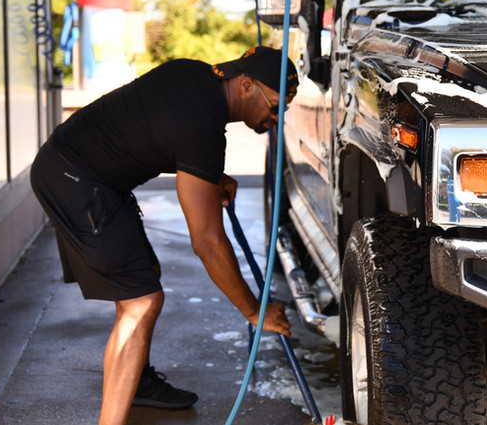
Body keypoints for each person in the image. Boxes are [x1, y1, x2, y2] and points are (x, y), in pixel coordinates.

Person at [30, 45, 299, 425]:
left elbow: (156, 130)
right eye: (274, 106)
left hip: (78, 169)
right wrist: (254, 311)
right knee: (141, 303)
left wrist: (207, 175)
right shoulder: (202, 126)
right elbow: (207, 242)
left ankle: (136, 380)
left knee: (145, 275)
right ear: (246, 85)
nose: (276, 118)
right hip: (76, 180)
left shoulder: (195, 76)